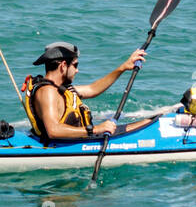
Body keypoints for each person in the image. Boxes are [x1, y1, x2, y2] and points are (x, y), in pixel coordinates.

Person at [21, 41, 152, 143]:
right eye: (75, 65)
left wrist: (123, 67)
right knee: (145, 128)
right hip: (63, 145)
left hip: (78, 139)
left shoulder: (60, 87)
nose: (77, 70)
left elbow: (92, 89)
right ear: (63, 66)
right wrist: (96, 129)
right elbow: (53, 130)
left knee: (148, 122)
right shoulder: (47, 91)